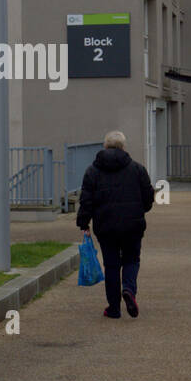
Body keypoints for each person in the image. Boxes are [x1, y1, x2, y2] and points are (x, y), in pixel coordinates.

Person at [75, 131, 155, 318]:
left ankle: (114, 308)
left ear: (105, 146)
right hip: (133, 226)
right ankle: (128, 289)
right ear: (123, 147)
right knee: (131, 259)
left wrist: (83, 223)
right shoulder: (138, 169)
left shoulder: (92, 171)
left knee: (111, 265)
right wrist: (140, 210)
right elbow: (148, 198)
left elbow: (86, 200)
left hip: (106, 226)